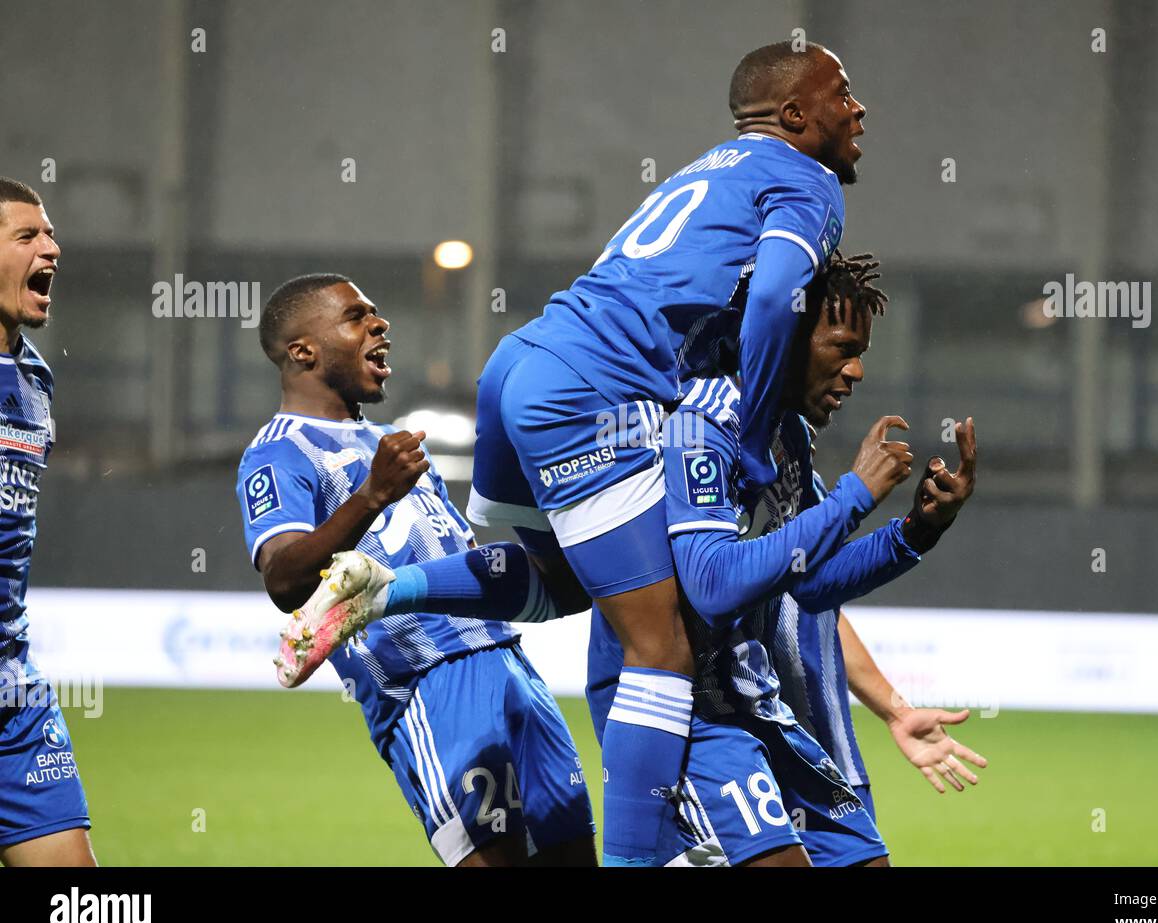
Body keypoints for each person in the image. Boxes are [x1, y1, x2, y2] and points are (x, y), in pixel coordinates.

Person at [468, 40, 868, 864]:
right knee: (662, 649)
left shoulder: (704, 172)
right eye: (844, 94)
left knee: (557, 584)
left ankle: (386, 587)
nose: (858, 111)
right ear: (795, 116)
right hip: (591, 390)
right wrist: (754, 431)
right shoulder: (807, 181)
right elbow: (773, 299)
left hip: (520, 363)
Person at [587, 252, 981, 865]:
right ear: (787, 333)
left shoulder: (788, 434)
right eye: (843, 346)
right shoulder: (703, 423)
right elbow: (712, 584)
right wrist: (853, 495)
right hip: (688, 711)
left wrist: (918, 530)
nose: (855, 371)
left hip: (755, 702)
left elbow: (815, 585)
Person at [236, 274, 595, 866]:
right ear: (303, 351)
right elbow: (283, 579)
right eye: (356, 317)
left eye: (376, 314)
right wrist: (370, 495)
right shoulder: (279, 450)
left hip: (509, 661)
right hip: (428, 682)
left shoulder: (387, 440)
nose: (380, 326)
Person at [0, 177, 96, 867]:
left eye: (51, 233)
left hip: (14, 689)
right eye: (28, 236)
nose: (53, 248)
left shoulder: (35, 378)